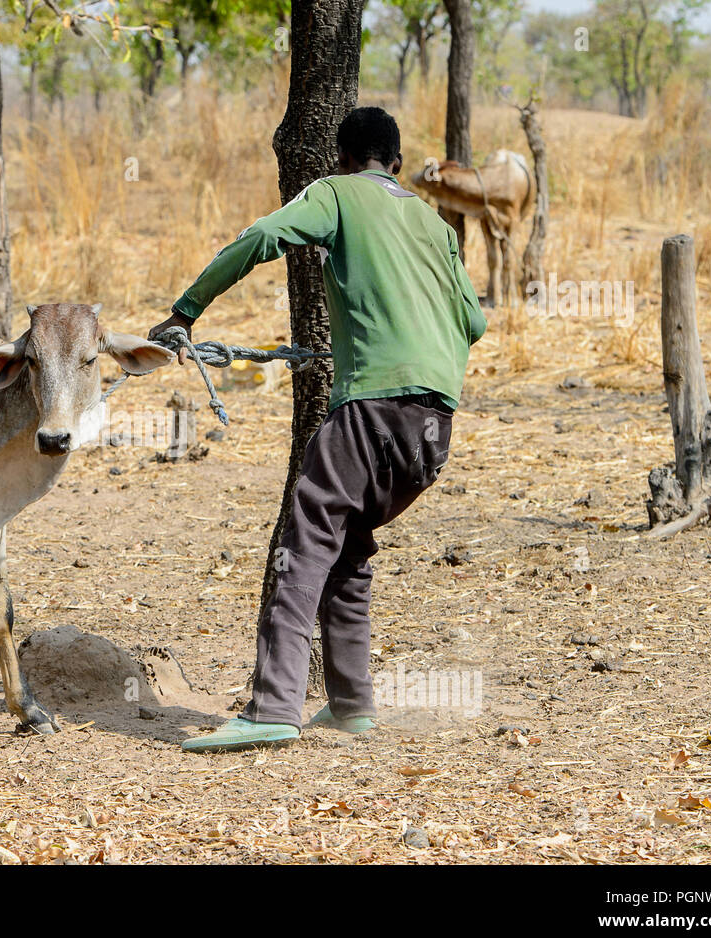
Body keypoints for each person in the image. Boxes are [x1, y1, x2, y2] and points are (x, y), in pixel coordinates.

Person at [149, 106, 486, 753]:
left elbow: (261, 239)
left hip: (368, 408)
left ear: (341, 158)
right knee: (349, 544)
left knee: (304, 541)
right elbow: (473, 322)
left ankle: (274, 705)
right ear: (395, 161)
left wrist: (185, 311)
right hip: (433, 427)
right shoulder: (434, 222)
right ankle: (353, 702)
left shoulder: (334, 193)